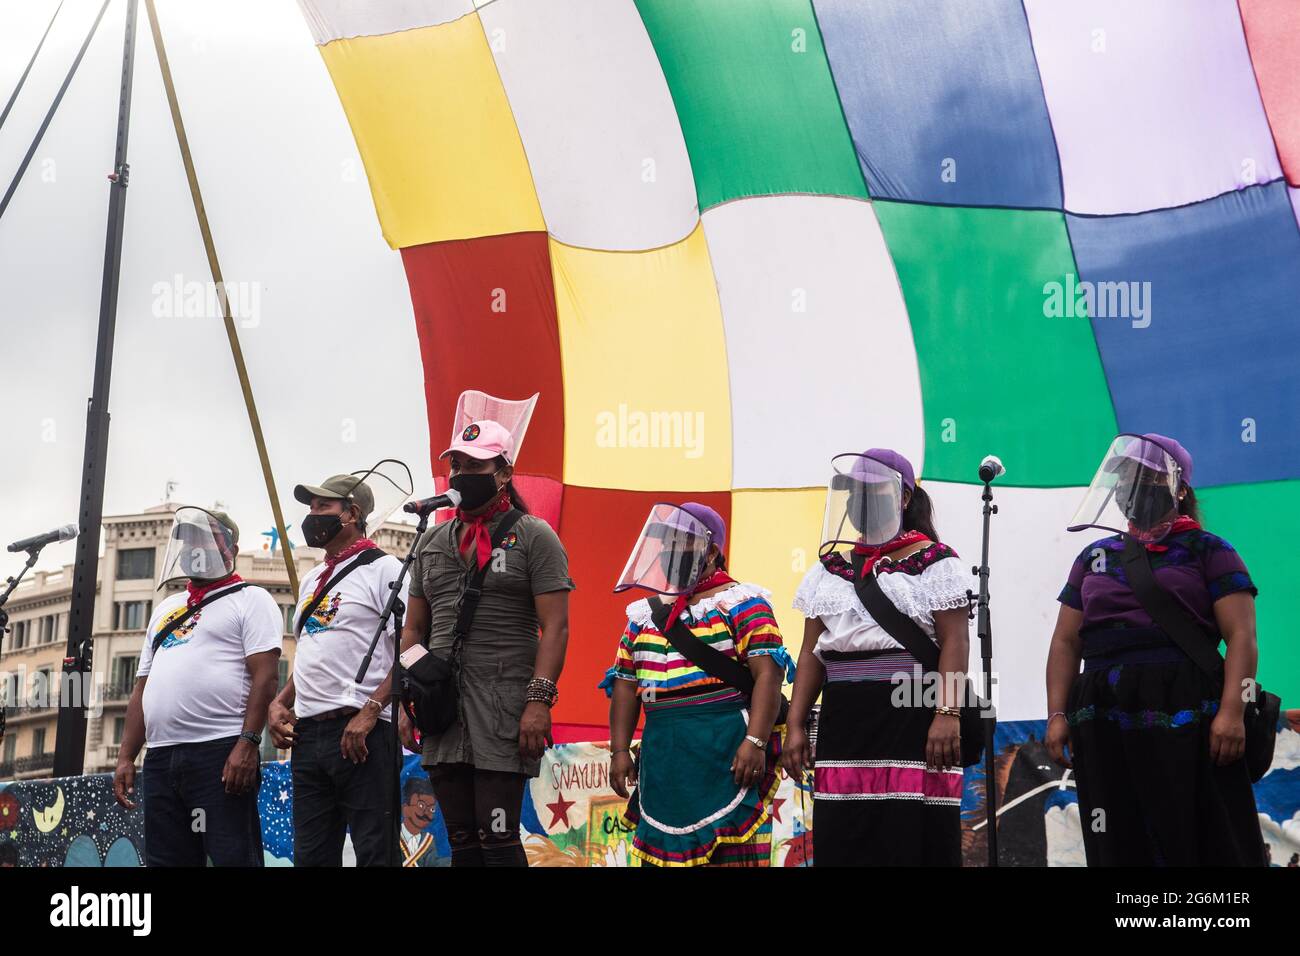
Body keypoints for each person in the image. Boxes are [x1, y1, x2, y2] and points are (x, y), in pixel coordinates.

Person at [1045, 433, 1267, 866]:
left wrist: (1232, 712)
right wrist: (1057, 714)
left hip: (1187, 704)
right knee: (1117, 833)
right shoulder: (1094, 556)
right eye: (1125, 477)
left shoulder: (1210, 550)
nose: (1131, 486)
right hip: (1102, 711)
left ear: (1178, 488)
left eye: (1143, 477)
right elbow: (1066, 641)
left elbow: (1243, 638)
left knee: (1199, 830)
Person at [396, 407, 574, 867]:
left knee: (497, 839)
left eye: (476, 465)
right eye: (457, 465)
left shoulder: (535, 537)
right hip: (442, 711)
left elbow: (555, 626)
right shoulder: (431, 542)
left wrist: (539, 702)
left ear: (504, 472)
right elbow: (412, 628)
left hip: (505, 708)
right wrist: (409, 693)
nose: (462, 474)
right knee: (462, 841)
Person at [782, 450, 971, 866]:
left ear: (903, 498)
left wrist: (948, 712)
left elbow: (956, 642)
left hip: (913, 713)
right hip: (844, 719)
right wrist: (795, 724)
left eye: (873, 492)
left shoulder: (935, 563)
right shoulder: (828, 571)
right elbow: (811, 653)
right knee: (845, 835)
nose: (860, 503)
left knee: (910, 834)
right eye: (854, 494)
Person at [604, 503, 792, 867]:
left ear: (711, 551)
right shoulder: (643, 617)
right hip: (663, 759)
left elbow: (769, 674)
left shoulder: (743, 603)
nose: (671, 549)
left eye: (683, 541)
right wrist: (619, 750)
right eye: (666, 542)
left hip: (726, 750)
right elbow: (626, 684)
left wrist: (754, 742)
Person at [113, 508, 281, 867]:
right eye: (187, 540)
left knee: (233, 857)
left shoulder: (251, 599)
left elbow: (265, 677)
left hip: (219, 752)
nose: (193, 547)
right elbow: (141, 689)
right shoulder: (166, 609)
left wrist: (248, 743)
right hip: (160, 757)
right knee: (167, 861)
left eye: (204, 538)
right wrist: (127, 756)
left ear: (228, 547)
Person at [267, 472, 404, 867]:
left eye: (323, 506)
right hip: (308, 736)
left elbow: (411, 649)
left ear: (352, 513)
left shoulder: (386, 570)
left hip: (364, 734)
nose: (313, 515)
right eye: (310, 507)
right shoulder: (312, 579)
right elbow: (313, 650)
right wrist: (280, 701)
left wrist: (372, 710)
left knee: (375, 853)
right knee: (311, 857)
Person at [399, 775, 449, 867]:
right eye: (421, 806)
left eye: (432, 809)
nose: (426, 813)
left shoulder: (430, 842)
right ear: (405, 807)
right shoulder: (392, 837)